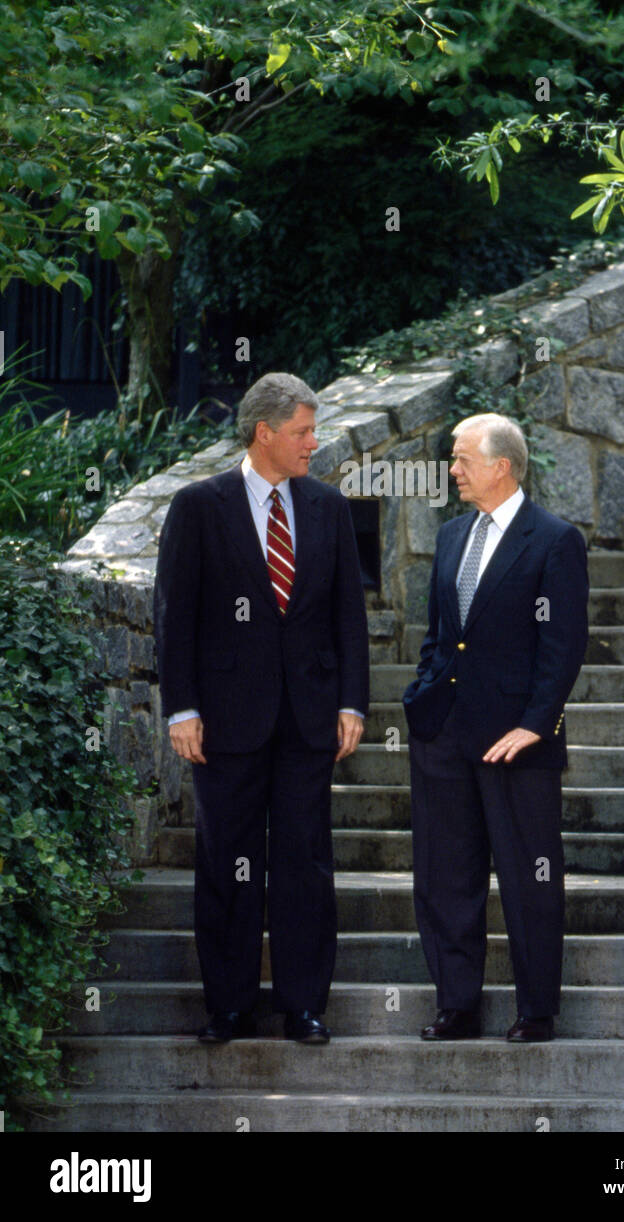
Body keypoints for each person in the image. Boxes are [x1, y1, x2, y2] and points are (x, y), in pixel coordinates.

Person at [153, 372, 369, 1045]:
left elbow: (348, 618)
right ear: (264, 432)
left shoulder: (330, 508)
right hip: (224, 723)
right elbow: (174, 617)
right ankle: (230, 1006)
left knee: (305, 862)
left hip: (308, 722)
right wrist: (181, 707)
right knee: (227, 863)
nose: (314, 442)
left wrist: (353, 704)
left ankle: (305, 1006)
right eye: (303, 431)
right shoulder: (197, 506)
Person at [403, 412, 588, 1042]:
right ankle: (457, 1005)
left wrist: (537, 724)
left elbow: (562, 645)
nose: (453, 470)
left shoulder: (555, 540)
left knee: (528, 875)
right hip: (443, 736)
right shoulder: (453, 535)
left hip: (516, 742)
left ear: (501, 466)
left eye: (462, 459)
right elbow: (438, 635)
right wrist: (422, 698)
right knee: (444, 875)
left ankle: (536, 1010)